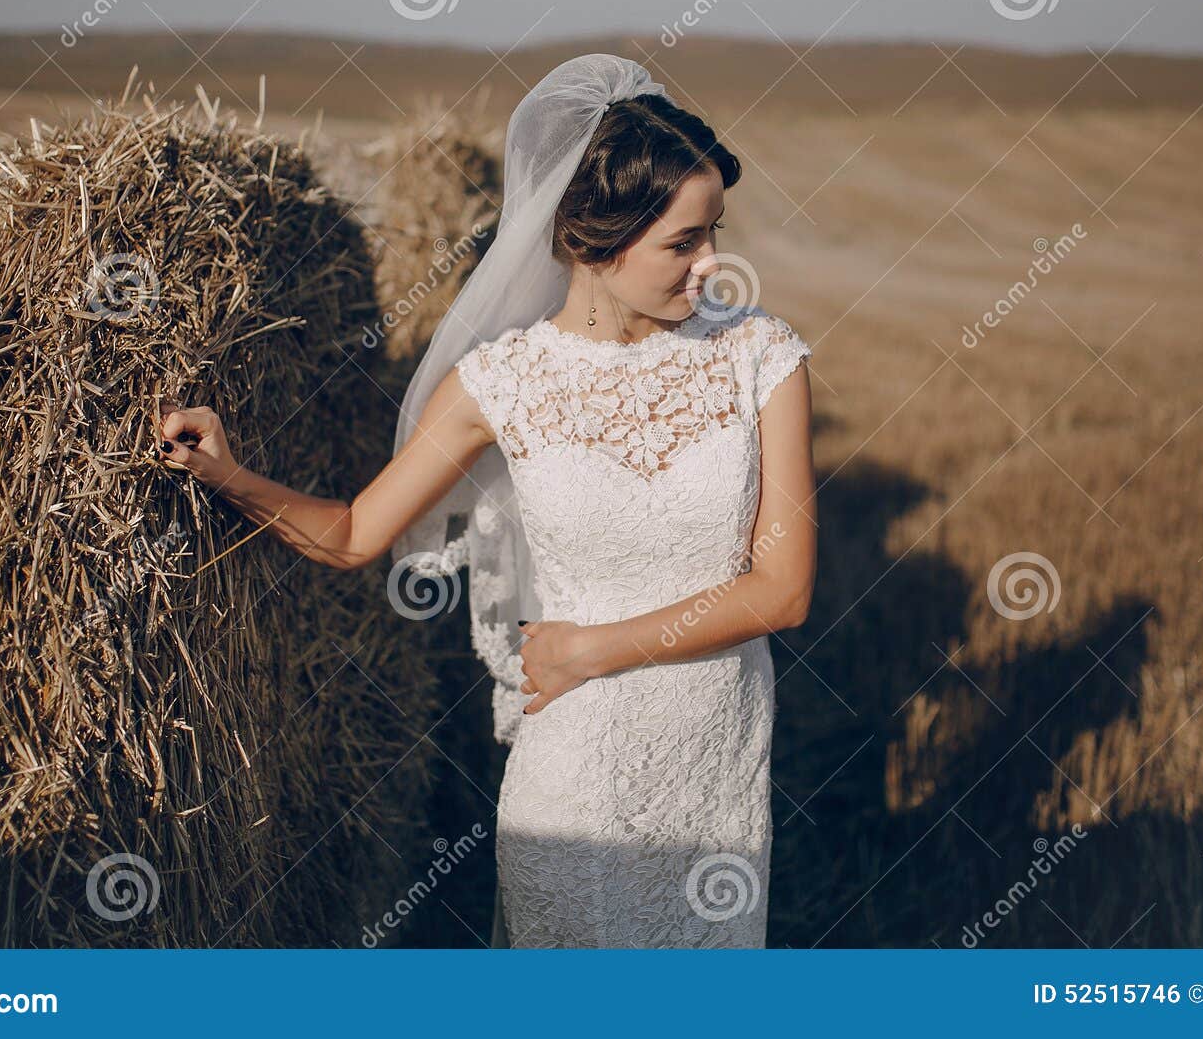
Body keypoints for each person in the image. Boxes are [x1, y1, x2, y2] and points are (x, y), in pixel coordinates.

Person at [158, 54, 816, 947]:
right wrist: (229, 474)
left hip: (715, 782)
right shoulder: (499, 384)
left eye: (714, 232)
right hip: (571, 790)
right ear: (591, 237)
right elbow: (354, 534)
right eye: (682, 242)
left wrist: (591, 648)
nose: (710, 264)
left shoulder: (760, 357)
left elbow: (781, 590)